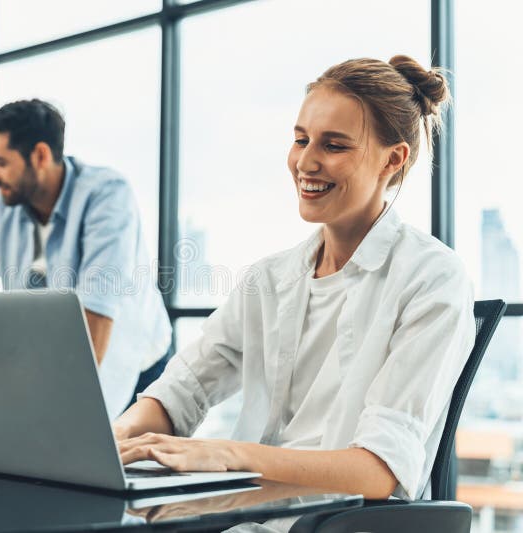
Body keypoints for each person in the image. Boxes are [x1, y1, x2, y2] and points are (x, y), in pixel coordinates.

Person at [114, 55, 474, 502]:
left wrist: (226, 454)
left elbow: (378, 472)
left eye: (334, 145)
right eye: (301, 140)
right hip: (241, 516)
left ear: (393, 160)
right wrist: (112, 440)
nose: (306, 161)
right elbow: (180, 392)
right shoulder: (270, 278)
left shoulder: (431, 278)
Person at [0, 99, 172, 418]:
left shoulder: (106, 195)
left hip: (134, 365)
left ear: (40, 156)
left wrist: (60, 412)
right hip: (52, 361)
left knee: (118, 462)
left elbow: (97, 308)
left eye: (0, 162)